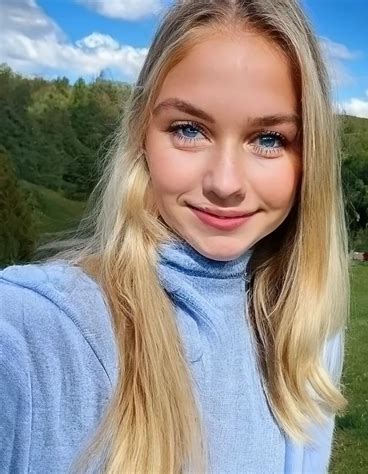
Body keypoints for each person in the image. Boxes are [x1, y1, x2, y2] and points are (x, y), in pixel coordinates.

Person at [0, 0, 350, 472]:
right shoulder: (43, 329)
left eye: (269, 139)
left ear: (310, 157)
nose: (225, 184)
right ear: (142, 135)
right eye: (189, 129)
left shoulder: (306, 328)